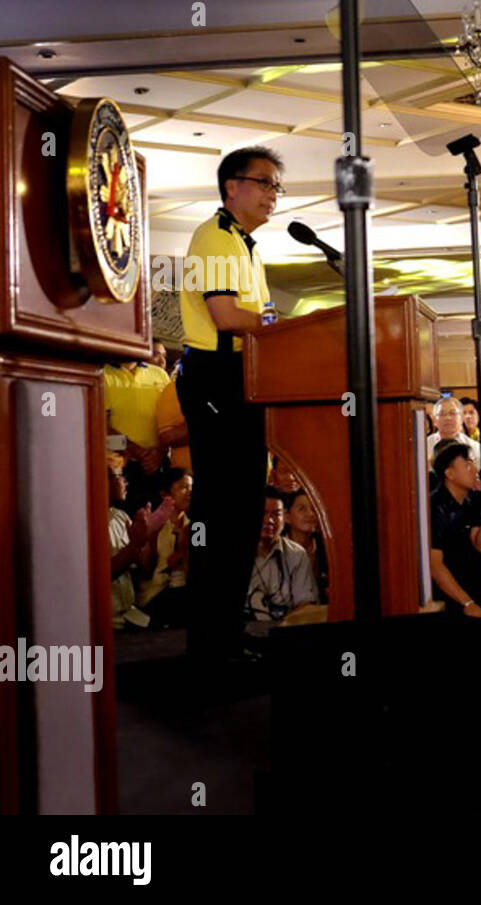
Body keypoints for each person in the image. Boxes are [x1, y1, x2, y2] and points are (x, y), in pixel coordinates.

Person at [176, 146, 283, 661]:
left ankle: (225, 631)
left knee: (241, 512)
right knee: (219, 512)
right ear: (231, 187)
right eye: (263, 182)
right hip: (215, 378)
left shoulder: (248, 245)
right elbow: (224, 316)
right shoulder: (214, 236)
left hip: (241, 381)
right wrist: (276, 326)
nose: (272, 194)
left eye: (275, 186)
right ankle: (209, 643)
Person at [104, 355, 172, 513]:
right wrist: (138, 452)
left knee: (161, 519)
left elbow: (169, 418)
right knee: (125, 520)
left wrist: (159, 452)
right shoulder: (103, 373)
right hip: (123, 466)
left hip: (158, 463)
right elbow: (101, 424)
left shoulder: (160, 374)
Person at [427, 442, 481, 618]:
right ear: (449, 473)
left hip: (474, 584)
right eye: (467, 465)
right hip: (448, 594)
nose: (475, 470)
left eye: (474, 463)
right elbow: (435, 565)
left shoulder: (473, 501)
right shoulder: (435, 507)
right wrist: (467, 602)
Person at [245, 491, 318, 624]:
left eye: (276, 514)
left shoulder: (297, 554)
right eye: (264, 513)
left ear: (285, 517)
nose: (270, 520)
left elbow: (304, 604)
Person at [137, 468, 194, 627]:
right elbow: (146, 570)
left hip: (183, 595)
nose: (189, 492)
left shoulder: (197, 526)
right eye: (183, 487)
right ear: (165, 493)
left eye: (191, 488)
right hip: (154, 597)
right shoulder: (153, 523)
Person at [108, 458, 156, 630]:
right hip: (109, 621)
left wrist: (146, 538)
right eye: (120, 476)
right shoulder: (87, 523)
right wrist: (135, 545)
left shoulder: (120, 516)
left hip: (130, 615)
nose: (126, 481)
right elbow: (102, 573)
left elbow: (146, 569)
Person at [282, 489, 329, 607]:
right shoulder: (279, 551)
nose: (311, 514)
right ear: (287, 517)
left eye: (314, 508)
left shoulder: (328, 548)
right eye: (302, 509)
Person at [428, 396, 480, 469]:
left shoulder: (475, 448)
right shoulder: (425, 446)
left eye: (453, 413)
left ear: (461, 418)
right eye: (442, 414)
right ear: (434, 420)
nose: (448, 418)